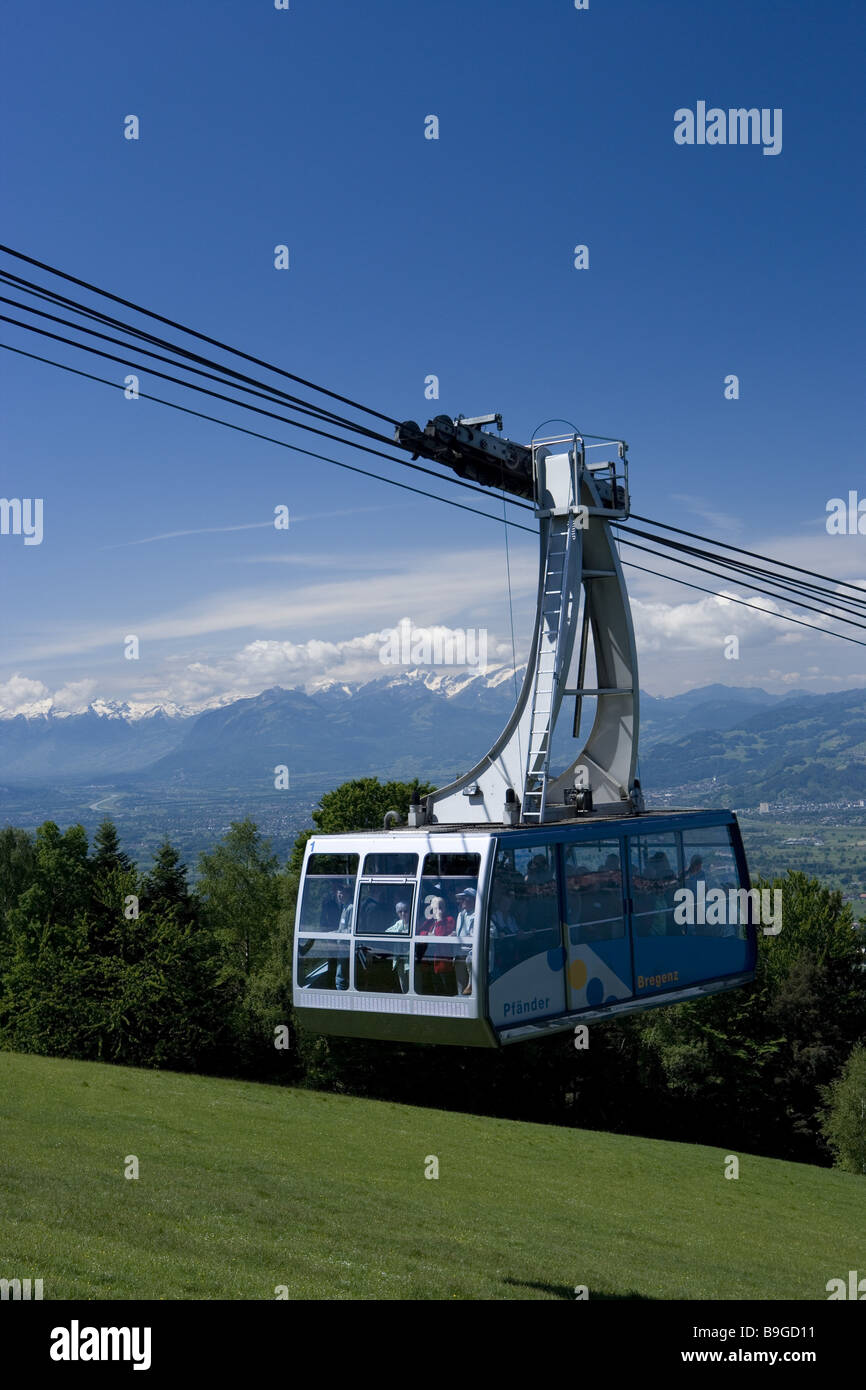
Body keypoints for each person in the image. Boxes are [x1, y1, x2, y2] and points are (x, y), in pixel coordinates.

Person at [418, 895, 456, 995]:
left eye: (440, 908)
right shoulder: (429, 921)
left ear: (444, 908)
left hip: (442, 959)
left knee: (446, 987)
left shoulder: (449, 920)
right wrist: (428, 934)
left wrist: (439, 919)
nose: (437, 911)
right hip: (429, 958)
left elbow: (439, 935)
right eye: (434, 908)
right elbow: (420, 933)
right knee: (434, 987)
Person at [454, 887, 476, 995]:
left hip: (471, 954)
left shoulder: (478, 914)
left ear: (473, 900)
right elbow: (459, 932)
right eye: (461, 899)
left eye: (464, 899)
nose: (461, 901)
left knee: (471, 989)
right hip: (459, 953)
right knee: (460, 985)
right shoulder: (461, 914)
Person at [385, 901, 412, 991]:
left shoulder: (413, 923)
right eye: (400, 912)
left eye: (405, 911)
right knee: (403, 986)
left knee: (413, 987)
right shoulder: (398, 923)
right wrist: (398, 932)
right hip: (399, 960)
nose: (403, 913)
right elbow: (386, 933)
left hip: (411, 960)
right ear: (397, 913)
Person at [334, 883, 354, 990]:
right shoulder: (344, 907)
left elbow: (350, 930)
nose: (339, 896)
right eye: (338, 894)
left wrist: (338, 934)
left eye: (341, 894)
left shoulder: (351, 908)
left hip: (346, 947)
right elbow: (342, 928)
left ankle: (341, 995)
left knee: (341, 975)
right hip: (341, 946)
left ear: (348, 894)